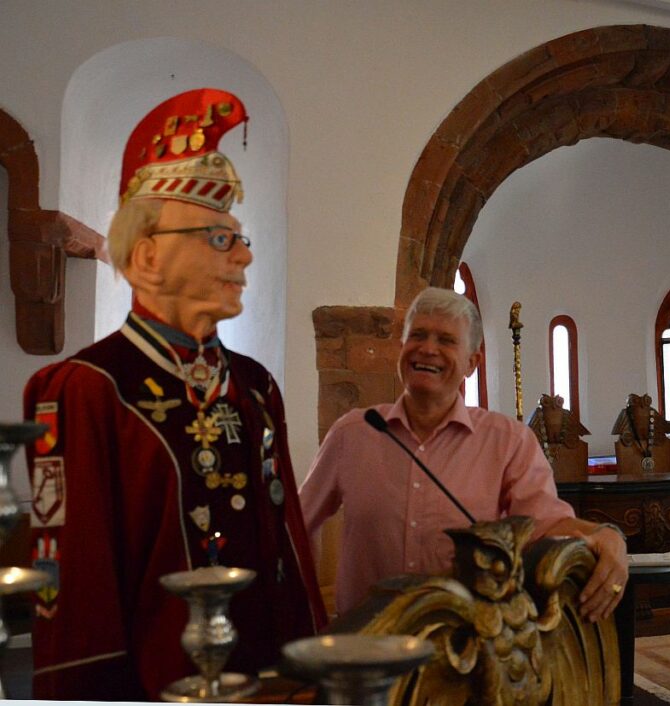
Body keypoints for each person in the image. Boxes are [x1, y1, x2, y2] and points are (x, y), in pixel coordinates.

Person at [23, 88, 325, 700]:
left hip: (267, 681)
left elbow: (286, 535)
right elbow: (76, 590)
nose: (243, 256)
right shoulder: (87, 389)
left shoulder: (255, 383)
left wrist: (309, 669)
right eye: (219, 238)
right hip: (157, 688)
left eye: (242, 239)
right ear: (149, 256)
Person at [300, 287, 628, 622]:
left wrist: (605, 535)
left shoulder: (508, 441)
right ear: (401, 349)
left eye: (445, 340)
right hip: (366, 642)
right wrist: (302, 610)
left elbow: (546, 525)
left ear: (473, 362)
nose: (428, 349)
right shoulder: (353, 433)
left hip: (465, 647)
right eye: (418, 335)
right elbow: (296, 525)